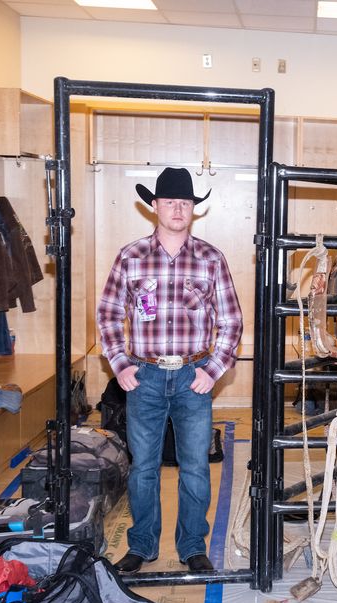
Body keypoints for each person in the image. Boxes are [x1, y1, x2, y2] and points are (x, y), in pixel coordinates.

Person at [97, 167, 243, 574]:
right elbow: (109, 314)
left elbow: (231, 321)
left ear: (194, 209)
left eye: (185, 203)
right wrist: (120, 364)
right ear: (154, 206)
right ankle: (142, 546)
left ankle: (193, 545)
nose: (178, 209)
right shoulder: (131, 256)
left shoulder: (211, 258)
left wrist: (213, 371)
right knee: (143, 467)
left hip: (193, 378)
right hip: (143, 377)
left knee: (195, 466)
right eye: (170, 202)